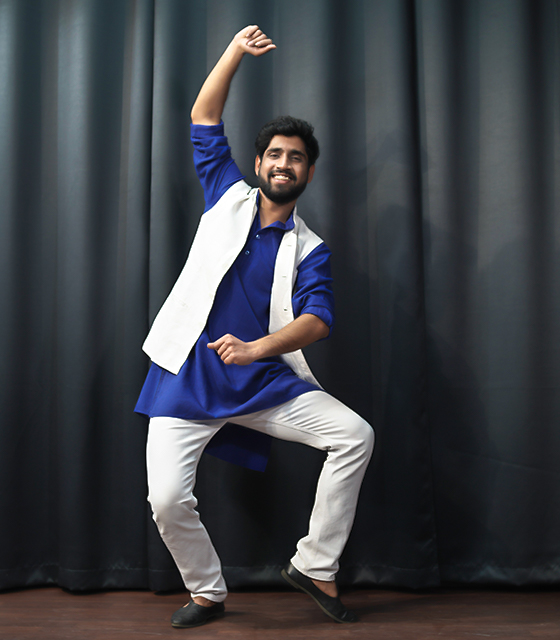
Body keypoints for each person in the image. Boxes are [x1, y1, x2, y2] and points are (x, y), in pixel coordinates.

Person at [135, 25, 374, 629]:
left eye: (296, 157)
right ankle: (206, 592)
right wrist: (235, 53)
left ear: (308, 173)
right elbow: (204, 117)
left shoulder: (310, 248)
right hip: (186, 379)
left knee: (354, 436)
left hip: (261, 382)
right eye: (275, 154)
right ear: (260, 162)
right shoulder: (226, 195)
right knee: (166, 500)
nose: (283, 163)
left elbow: (317, 321)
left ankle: (316, 564)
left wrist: (256, 349)